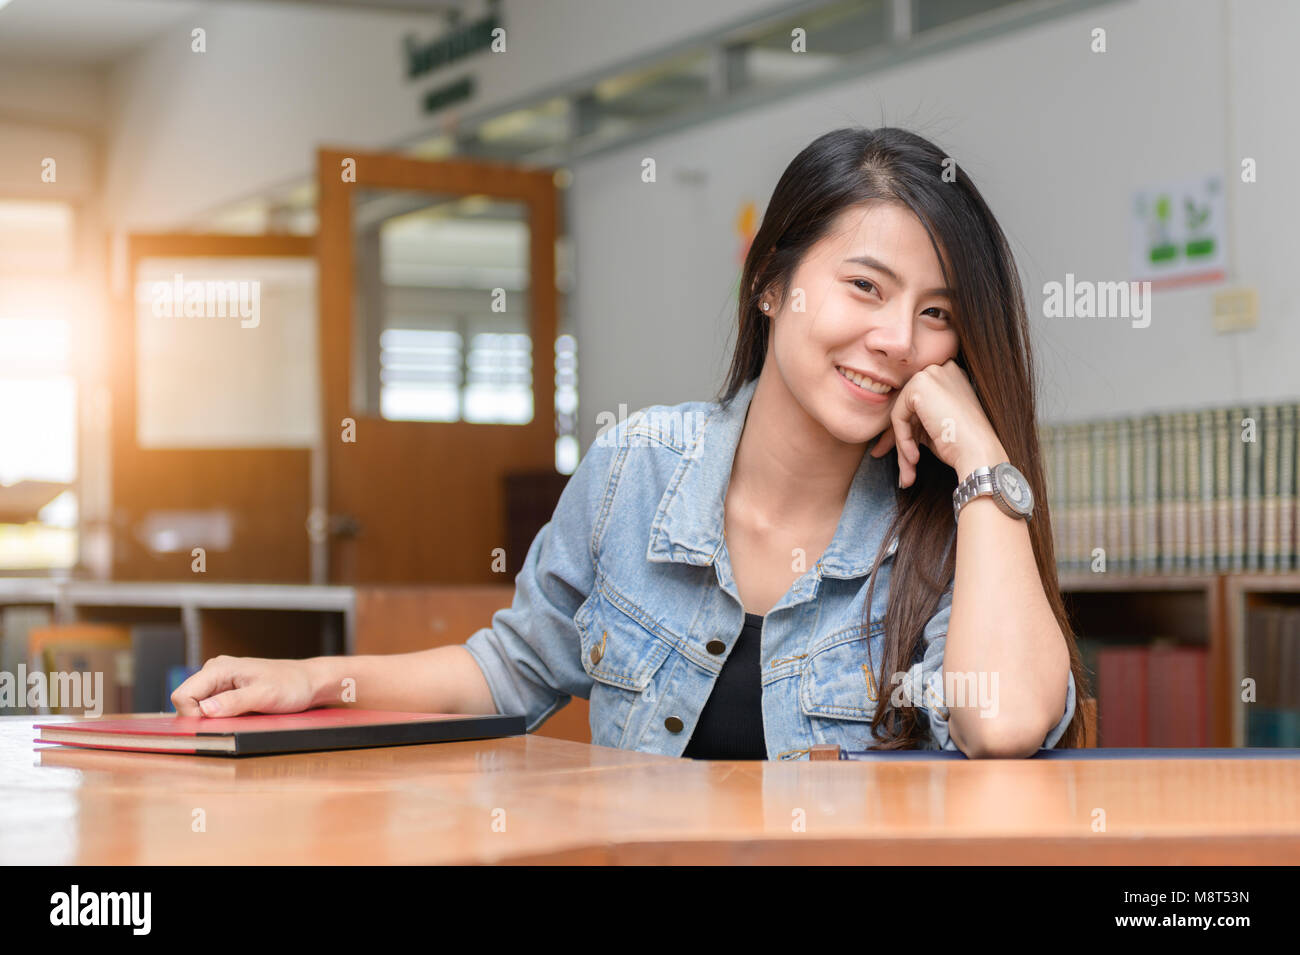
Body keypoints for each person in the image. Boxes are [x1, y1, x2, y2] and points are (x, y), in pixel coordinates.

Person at [172, 126, 1090, 759]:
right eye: (865, 286)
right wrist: (317, 679)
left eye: (937, 314)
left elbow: (1003, 720)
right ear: (772, 284)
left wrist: (980, 458)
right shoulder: (638, 468)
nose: (897, 338)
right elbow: (509, 670)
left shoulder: (951, 524)